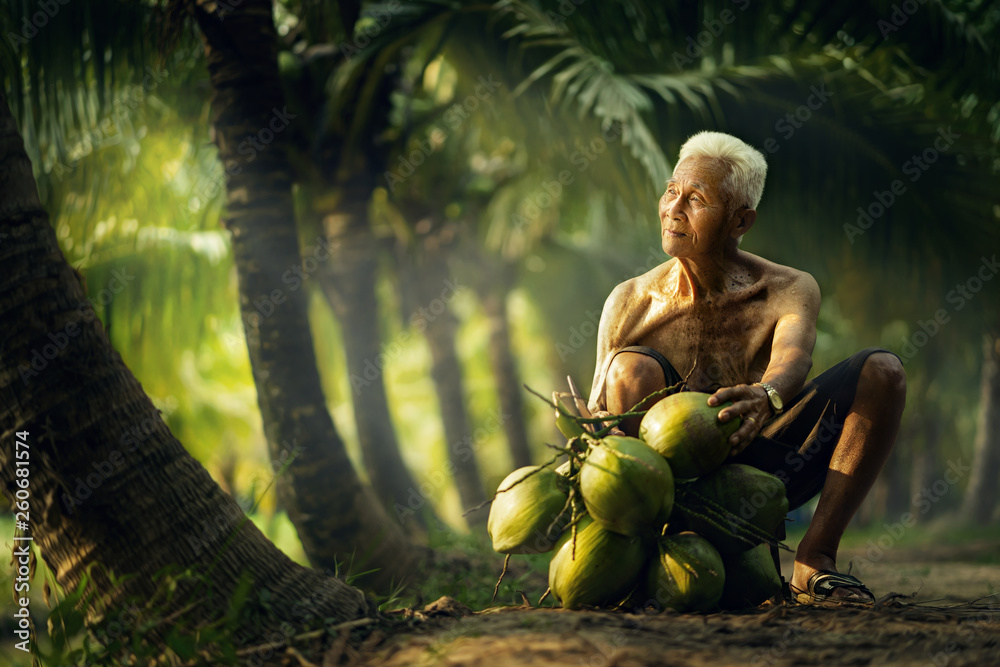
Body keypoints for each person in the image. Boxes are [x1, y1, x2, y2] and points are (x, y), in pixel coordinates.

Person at [587, 131, 906, 605]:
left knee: (884, 371)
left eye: (696, 199)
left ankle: (814, 562)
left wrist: (768, 394)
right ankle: (649, 554)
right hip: (667, 491)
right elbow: (599, 411)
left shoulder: (788, 288)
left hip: (761, 472)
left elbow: (793, 358)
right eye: (672, 191)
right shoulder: (629, 300)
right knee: (630, 369)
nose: (674, 208)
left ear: (740, 220)